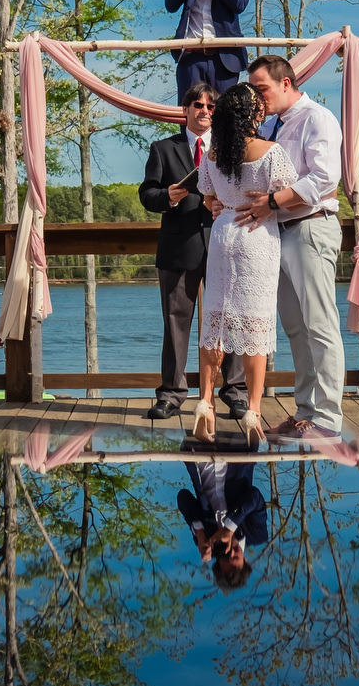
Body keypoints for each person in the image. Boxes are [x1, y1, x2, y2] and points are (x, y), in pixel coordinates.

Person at [240, 53, 346, 442]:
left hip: (310, 230)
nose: (257, 97)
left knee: (320, 326)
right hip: (279, 235)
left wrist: (270, 202)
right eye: (252, 90)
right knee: (296, 329)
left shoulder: (317, 118)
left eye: (262, 88)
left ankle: (329, 419)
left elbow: (323, 179)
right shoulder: (269, 125)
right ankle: (305, 413)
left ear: (286, 83)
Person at [191, 82, 297, 443]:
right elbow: (289, 197)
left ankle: (204, 403)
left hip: (223, 236)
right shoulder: (271, 152)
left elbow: (208, 196)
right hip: (256, 235)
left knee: (216, 321)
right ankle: (252, 410)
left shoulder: (214, 154)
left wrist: (217, 204)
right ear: (253, 113)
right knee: (255, 325)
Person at [137, 83, 245, 421]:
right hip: (178, 247)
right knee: (175, 323)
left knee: (230, 320)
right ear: (185, 110)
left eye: (211, 107)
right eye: (198, 105)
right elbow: (146, 194)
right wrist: (168, 195)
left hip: (224, 244)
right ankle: (171, 394)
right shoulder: (163, 149)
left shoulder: (231, 148)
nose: (204, 111)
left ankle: (236, 391)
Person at [177, 442, 269, 590]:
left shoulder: (205, 539)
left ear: (217, 558)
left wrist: (199, 533)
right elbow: (254, 497)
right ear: (245, 560)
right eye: (235, 557)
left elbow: (183, 497)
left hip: (199, 450)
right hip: (237, 449)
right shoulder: (256, 535)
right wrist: (229, 528)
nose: (230, 551)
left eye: (225, 556)